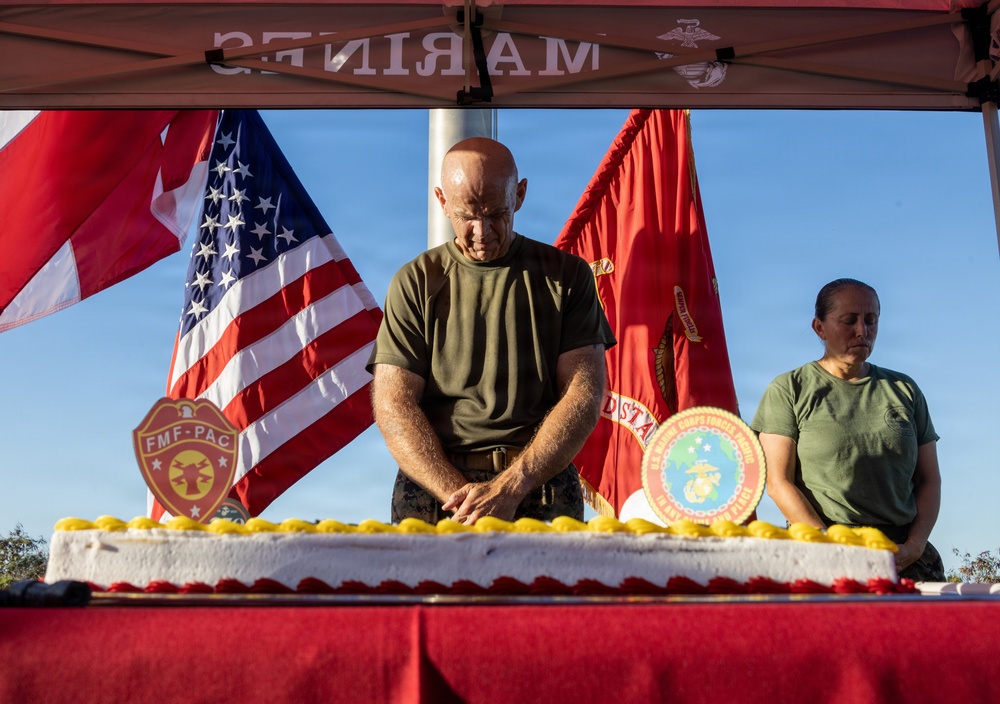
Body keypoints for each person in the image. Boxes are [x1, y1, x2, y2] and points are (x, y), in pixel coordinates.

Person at [367, 137, 616, 526]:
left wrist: (513, 485)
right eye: (467, 216)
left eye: (496, 214)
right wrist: (461, 498)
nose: (481, 231)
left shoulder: (568, 277)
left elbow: (584, 392)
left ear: (519, 195)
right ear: (441, 200)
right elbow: (393, 404)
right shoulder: (414, 281)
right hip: (435, 492)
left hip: (539, 483)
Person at [751, 278, 944, 582]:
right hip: (820, 559)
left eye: (871, 320)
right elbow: (778, 482)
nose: (862, 331)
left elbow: (929, 480)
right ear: (819, 327)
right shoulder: (789, 390)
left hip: (904, 560)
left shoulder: (904, 390)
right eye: (849, 320)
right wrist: (828, 545)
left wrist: (915, 546)